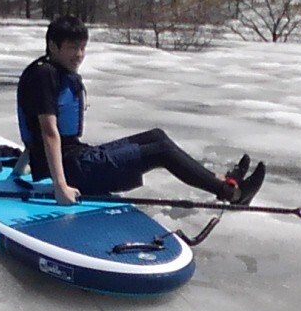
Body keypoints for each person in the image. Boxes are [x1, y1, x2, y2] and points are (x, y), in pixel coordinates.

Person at [14, 16, 266, 206]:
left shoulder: (51, 71)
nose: (79, 55)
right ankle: (233, 194)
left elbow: (34, 133)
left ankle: (220, 180)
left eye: (82, 48)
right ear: (53, 46)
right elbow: (48, 132)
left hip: (77, 158)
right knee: (161, 151)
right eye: (72, 47)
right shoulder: (45, 76)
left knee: (156, 136)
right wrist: (60, 187)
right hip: (74, 170)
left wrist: (21, 168)